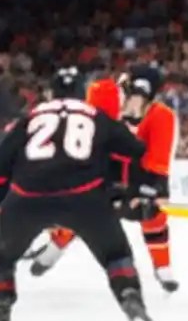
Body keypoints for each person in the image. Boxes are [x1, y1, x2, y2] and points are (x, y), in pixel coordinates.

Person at [0, 67, 160, 321]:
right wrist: (129, 190)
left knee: (0, 259)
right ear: (81, 93)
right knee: (116, 256)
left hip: (29, 198)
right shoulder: (94, 116)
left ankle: (1, 311)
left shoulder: (30, 118)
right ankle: (131, 301)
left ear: (51, 93)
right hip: (85, 198)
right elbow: (134, 149)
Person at [29, 67, 179, 294]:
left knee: (153, 214)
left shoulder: (161, 117)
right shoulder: (105, 98)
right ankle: (57, 245)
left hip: (134, 182)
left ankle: (162, 266)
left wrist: (149, 192)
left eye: (138, 96)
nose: (130, 100)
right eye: (128, 93)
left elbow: (157, 163)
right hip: (100, 175)